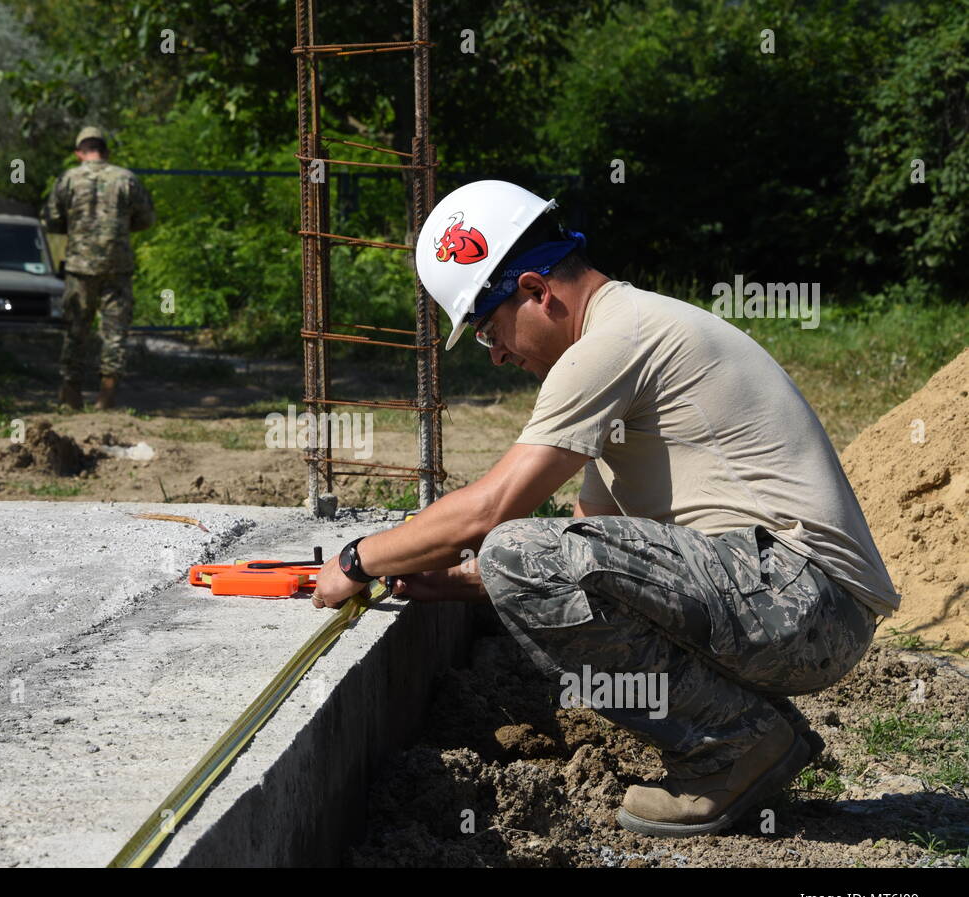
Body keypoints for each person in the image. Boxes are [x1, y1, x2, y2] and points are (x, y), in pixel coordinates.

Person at [311, 180, 900, 837]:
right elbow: (588, 541)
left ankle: (730, 746)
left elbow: (493, 512)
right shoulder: (630, 334)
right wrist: (460, 584)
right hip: (806, 604)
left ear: (537, 291)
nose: (499, 353)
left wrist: (357, 560)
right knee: (519, 560)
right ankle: (747, 732)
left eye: (489, 330)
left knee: (512, 547)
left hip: (804, 598)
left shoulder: (612, 342)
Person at [43, 126, 155, 409]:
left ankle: (70, 392)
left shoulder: (68, 179)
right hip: (117, 265)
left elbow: (51, 220)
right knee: (115, 331)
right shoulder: (126, 179)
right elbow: (146, 219)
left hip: (80, 266)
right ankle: (107, 394)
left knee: (76, 329)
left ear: (79, 153)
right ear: (105, 151)